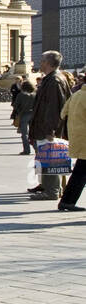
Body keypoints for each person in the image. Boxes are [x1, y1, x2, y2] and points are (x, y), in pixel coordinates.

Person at [29, 52, 74, 201]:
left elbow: (54, 108)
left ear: (48, 63)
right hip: (45, 126)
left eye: (42, 61)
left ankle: (51, 191)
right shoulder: (52, 78)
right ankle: (53, 188)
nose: (39, 63)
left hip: (47, 128)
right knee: (48, 157)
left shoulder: (54, 80)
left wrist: (51, 130)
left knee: (51, 158)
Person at [55, 80, 86, 212]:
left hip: (78, 138)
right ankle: (67, 201)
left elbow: (63, 113)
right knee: (80, 172)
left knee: (80, 172)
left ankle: (67, 201)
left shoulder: (77, 94)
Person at [12, 80, 35, 156]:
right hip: (33, 115)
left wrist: (19, 111)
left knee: (24, 134)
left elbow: (16, 105)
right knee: (33, 133)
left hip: (24, 114)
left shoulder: (21, 95)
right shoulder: (35, 94)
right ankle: (37, 149)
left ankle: (26, 150)